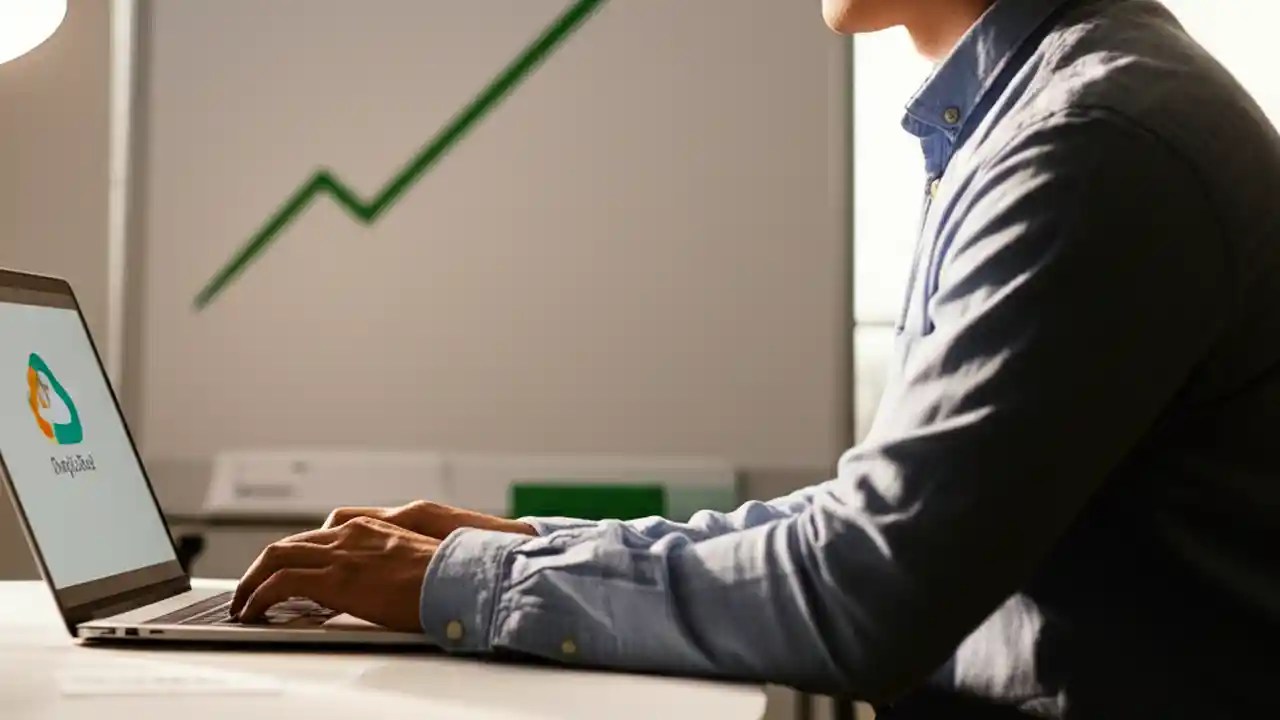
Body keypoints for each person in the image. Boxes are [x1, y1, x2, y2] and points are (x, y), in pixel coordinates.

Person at [231, 0, 1280, 716]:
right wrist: (532, 542)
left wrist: (471, 580)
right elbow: (881, 524)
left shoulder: (1086, 144)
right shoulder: (1059, 115)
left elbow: (862, 587)